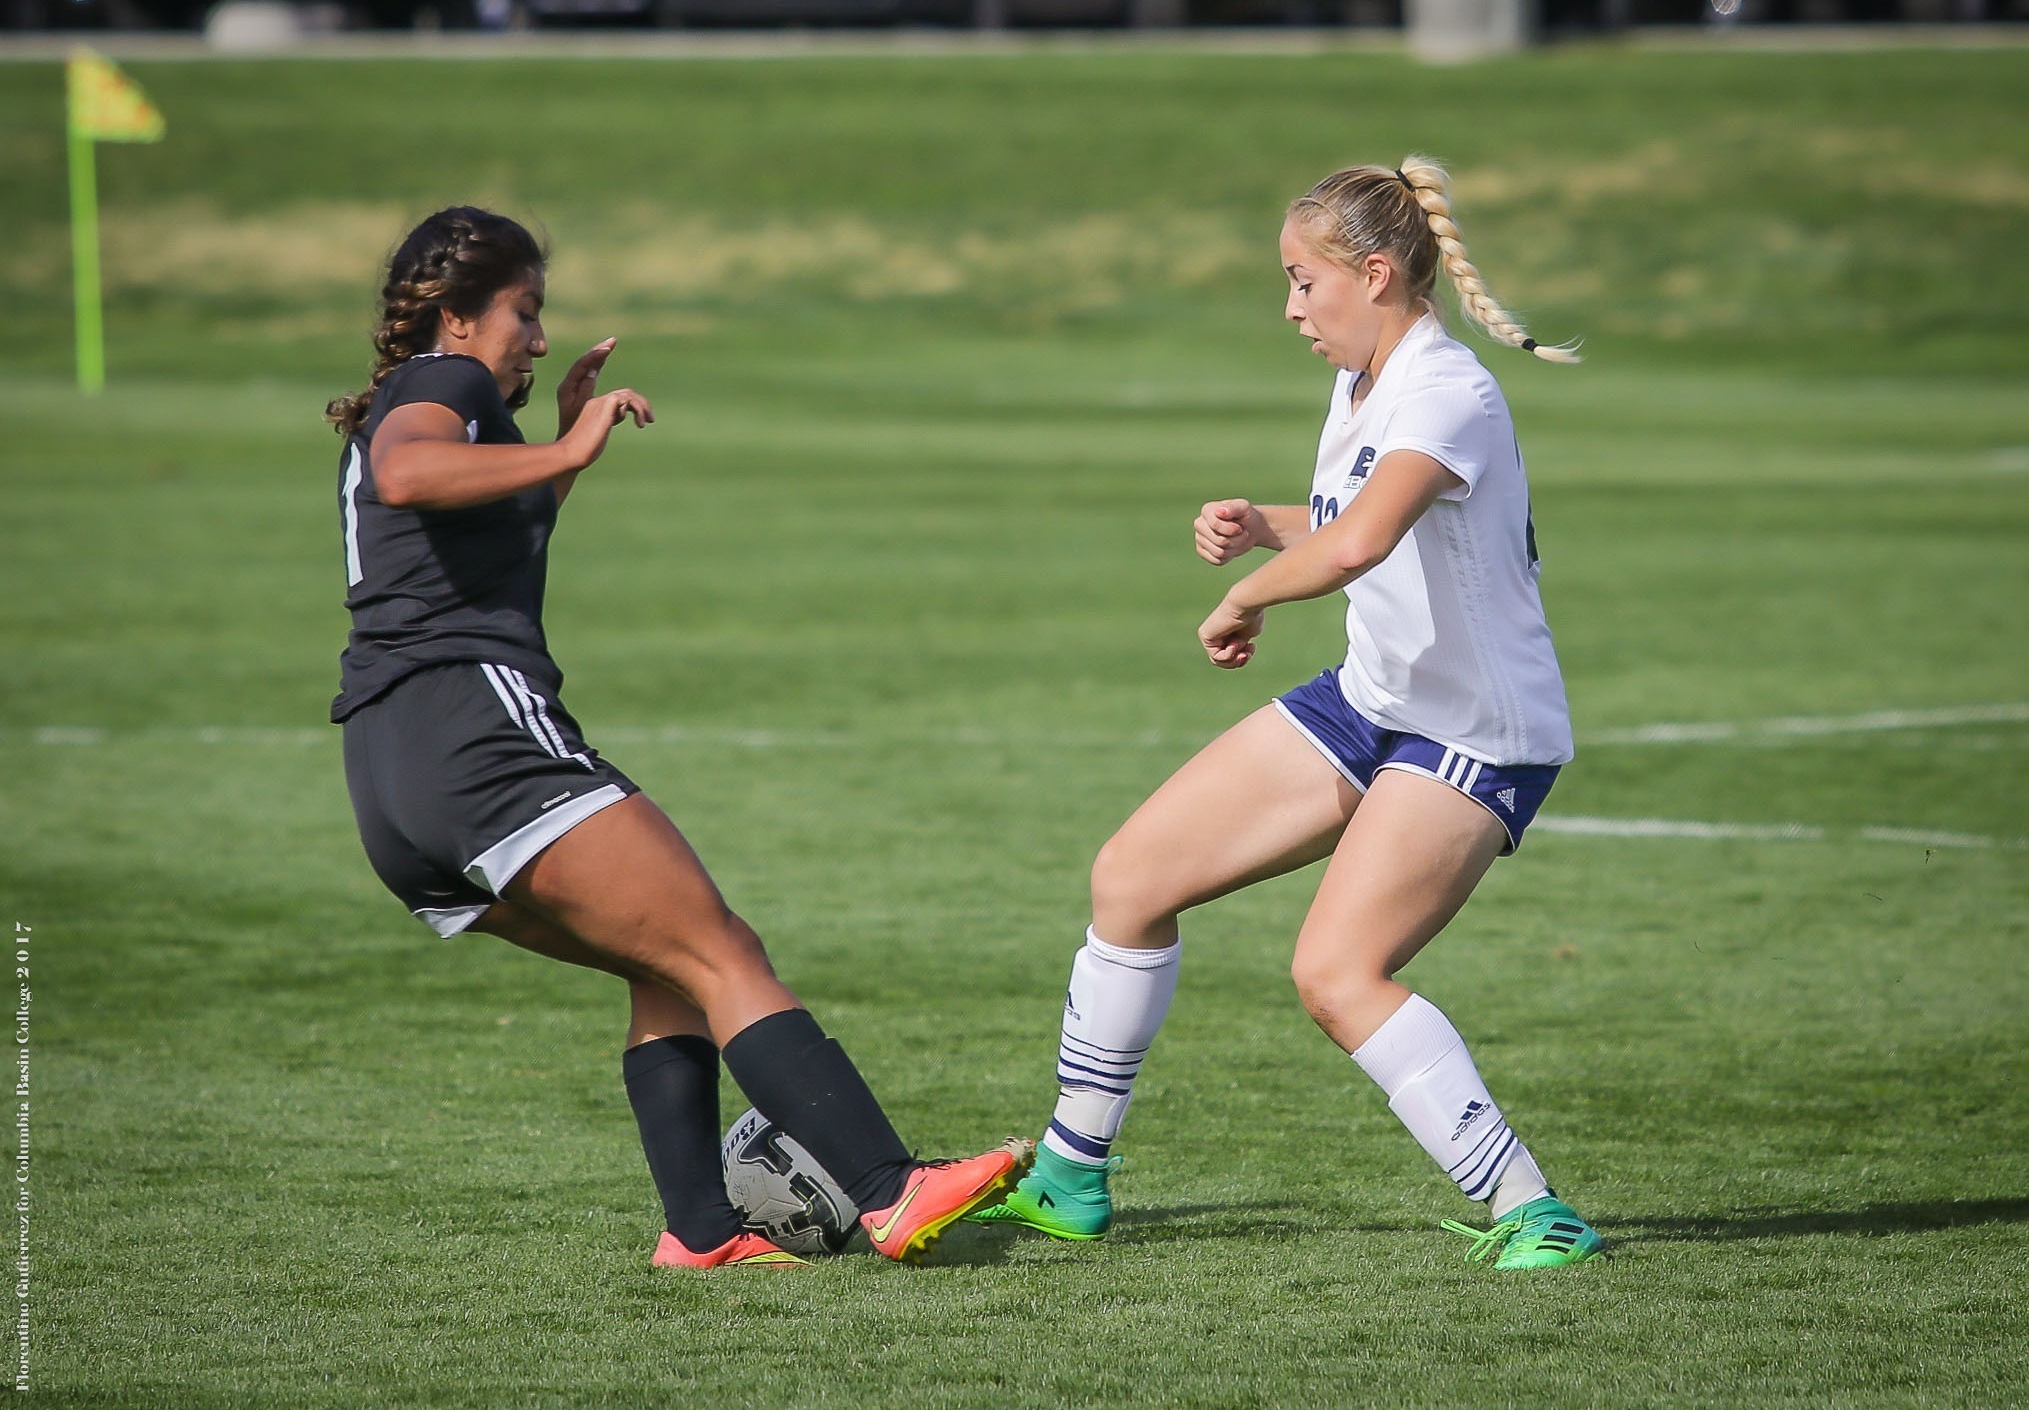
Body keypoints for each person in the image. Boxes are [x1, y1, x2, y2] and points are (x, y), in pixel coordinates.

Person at [327, 206, 1022, 1270]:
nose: (539, 337)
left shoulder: (423, 395)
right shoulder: (447, 381)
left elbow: (474, 540)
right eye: (525, 311)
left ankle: (698, 1231)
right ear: (458, 314)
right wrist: (569, 440)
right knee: (719, 948)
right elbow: (408, 475)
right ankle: (890, 1190)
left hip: (391, 778)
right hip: (473, 731)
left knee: (670, 963)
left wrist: (557, 454)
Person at [972, 159, 1604, 1269]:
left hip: (1474, 731)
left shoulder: (1444, 389)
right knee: (1130, 879)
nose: (1291, 308)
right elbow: (1350, 514)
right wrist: (1266, 525)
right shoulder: (1365, 377)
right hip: (1374, 699)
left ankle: (1532, 1210)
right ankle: (1070, 1175)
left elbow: (1360, 542)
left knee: (1336, 972)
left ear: (1375, 274)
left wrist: (1245, 594)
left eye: (1303, 282)